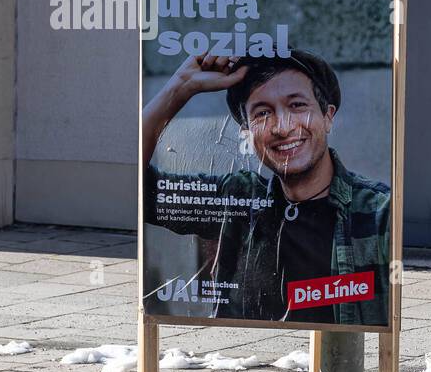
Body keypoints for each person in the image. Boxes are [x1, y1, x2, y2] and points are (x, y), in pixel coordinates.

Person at [141, 49, 390, 326]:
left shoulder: (379, 212)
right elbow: (135, 187)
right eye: (263, 113)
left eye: (297, 106)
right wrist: (180, 88)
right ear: (247, 132)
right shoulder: (238, 198)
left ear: (327, 117)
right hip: (246, 360)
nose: (282, 128)